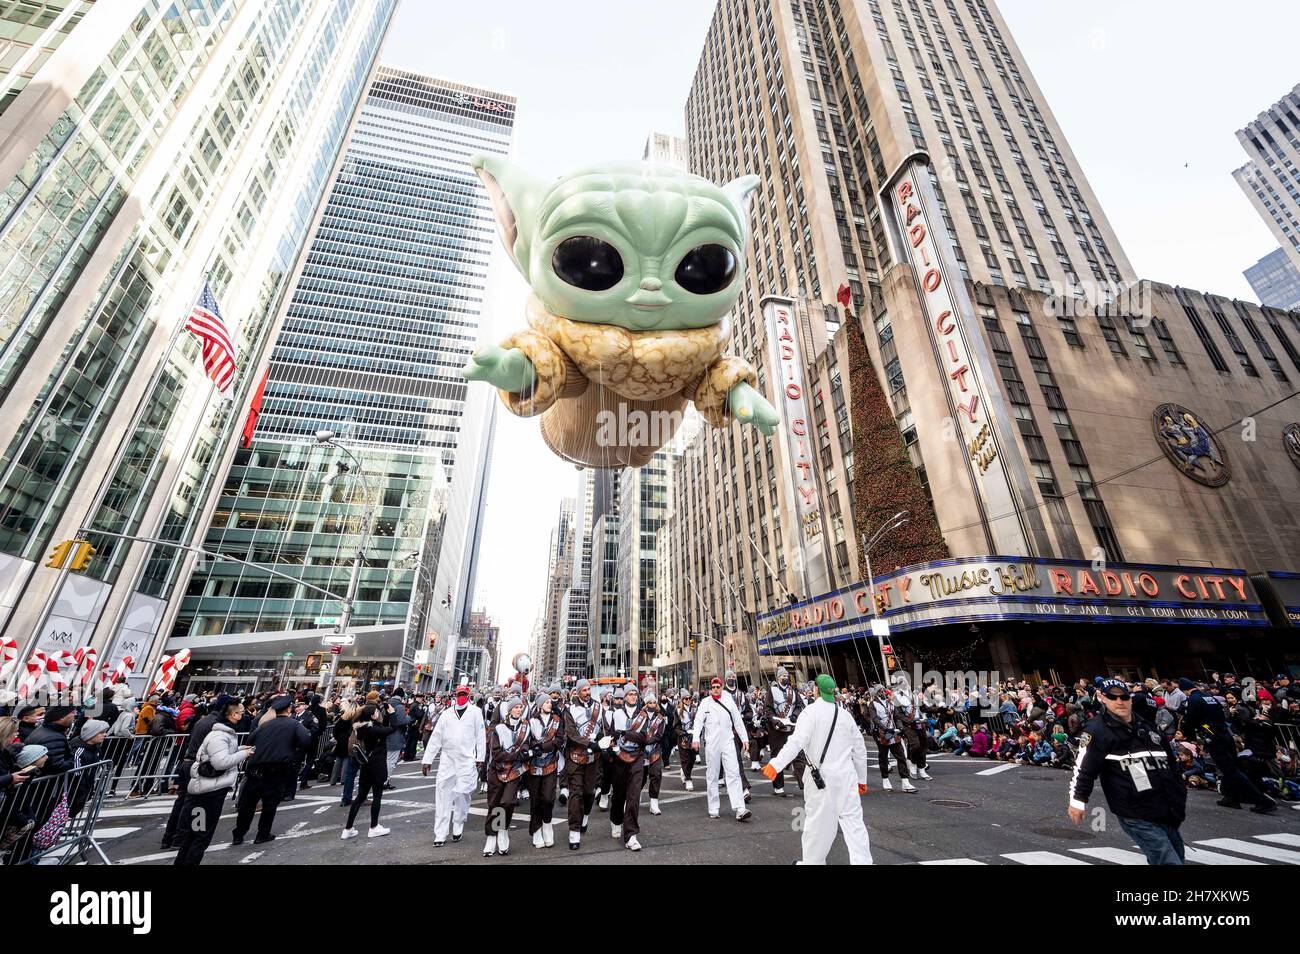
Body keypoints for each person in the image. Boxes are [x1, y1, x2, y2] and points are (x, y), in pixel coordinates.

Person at [1068, 678, 1187, 865]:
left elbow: (1172, 763)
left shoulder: (1147, 726)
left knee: (1176, 857)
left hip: (1167, 806)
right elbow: (1084, 768)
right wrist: (1078, 800)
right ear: (1103, 699)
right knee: (1169, 861)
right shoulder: (1096, 730)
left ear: (1131, 699)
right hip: (1135, 810)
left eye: (1124, 696)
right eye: (1112, 697)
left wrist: (1180, 791)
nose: (1119, 701)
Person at [762, 675, 871, 864]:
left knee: (817, 827)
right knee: (855, 826)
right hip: (847, 777)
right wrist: (862, 779)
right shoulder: (845, 715)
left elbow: (796, 742)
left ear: (816, 690)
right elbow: (859, 749)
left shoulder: (810, 713)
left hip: (821, 777)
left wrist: (776, 764)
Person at [174, 697, 252, 865]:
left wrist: (239, 749)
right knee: (200, 836)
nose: (243, 715)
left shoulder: (223, 734)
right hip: (208, 793)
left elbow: (219, 754)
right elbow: (220, 762)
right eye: (241, 712)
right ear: (233, 715)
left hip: (206, 791)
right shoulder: (220, 736)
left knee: (195, 833)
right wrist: (243, 754)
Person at [1183, 677, 1276, 814]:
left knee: (1231, 770)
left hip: (1214, 737)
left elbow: (1190, 720)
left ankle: (1263, 801)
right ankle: (1231, 796)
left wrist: (1195, 735)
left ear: (1185, 690)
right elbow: (1221, 716)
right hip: (1225, 734)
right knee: (1230, 769)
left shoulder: (1193, 700)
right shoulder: (1209, 697)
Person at [232, 694, 310, 846]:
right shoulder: (294, 724)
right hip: (276, 770)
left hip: (255, 768)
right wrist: (293, 751)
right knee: (270, 804)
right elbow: (306, 739)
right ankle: (262, 833)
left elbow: (250, 740)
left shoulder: (265, 725)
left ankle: (238, 834)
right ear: (289, 709)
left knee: (248, 804)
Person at [422, 682, 485, 847]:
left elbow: (480, 735)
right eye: (459, 695)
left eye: (465, 695)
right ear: (455, 696)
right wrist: (427, 759)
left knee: (462, 794)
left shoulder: (476, 713)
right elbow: (436, 736)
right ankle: (440, 833)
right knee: (443, 796)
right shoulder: (446, 714)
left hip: (466, 760)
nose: (462, 698)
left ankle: (458, 822)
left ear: (468, 695)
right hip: (447, 760)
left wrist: (480, 757)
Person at [693, 677, 752, 822]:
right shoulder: (705, 703)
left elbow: (737, 720)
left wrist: (745, 739)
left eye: (718, 686)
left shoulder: (728, 701)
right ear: (710, 689)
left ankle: (740, 808)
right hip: (712, 743)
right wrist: (695, 738)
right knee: (712, 776)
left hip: (728, 741)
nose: (715, 689)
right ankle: (713, 808)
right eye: (713, 687)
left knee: (733, 773)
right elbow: (698, 721)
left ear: (721, 687)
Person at [342, 703, 398, 840]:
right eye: (377, 712)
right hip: (377, 764)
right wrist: (392, 714)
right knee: (377, 796)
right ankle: (374, 826)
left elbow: (383, 728)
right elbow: (392, 728)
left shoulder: (363, 728)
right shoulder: (373, 729)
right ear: (373, 715)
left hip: (366, 764)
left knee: (360, 796)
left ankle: (348, 828)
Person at [484, 695, 529, 857]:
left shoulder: (526, 727)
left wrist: (526, 752)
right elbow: (496, 753)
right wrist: (516, 756)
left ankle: (503, 830)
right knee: (494, 803)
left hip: (514, 771)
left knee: (508, 801)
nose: (518, 710)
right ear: (509, 711)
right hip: (497, 770)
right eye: (515, 707)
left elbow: (527, 746)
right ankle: (491, 836)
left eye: (520, 707)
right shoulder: (499, 729)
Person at [562, 678, 605, 850]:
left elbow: (602, 728)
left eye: (589, 689)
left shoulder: (598, 707)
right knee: (576, 794)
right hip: (575, 757)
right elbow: (571, 734)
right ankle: (574, 831)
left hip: (593, 758)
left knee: (589, 792)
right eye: (584, 690)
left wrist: (603, 740)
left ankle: (585, 815)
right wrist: (589, 743)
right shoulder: (570, 710)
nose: (587, 693)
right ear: (578, 692)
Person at [607, 682, 647, 851]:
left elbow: (643, 738)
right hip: (620, 758)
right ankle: (616, 820)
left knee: (633, 796)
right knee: (619, 794)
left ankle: (631, 834)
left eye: (635, 694)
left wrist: (625, 733)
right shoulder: (616, 714)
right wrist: (613, 743)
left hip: (637, 758)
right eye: (630, 694)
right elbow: (611, 735)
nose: (632, 697)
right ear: (624, 697)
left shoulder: (643, 715)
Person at [525, 691, 564, 849]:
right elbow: (527, 741)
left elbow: (559, 739)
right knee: (536, 800)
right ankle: (536, 830)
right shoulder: (531, 721)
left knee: (548, 798)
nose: (550, 704)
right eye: (546, 702)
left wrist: (542, 746)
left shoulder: (557, 720)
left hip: (550, 764)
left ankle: (547, 824)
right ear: (540, 705)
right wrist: (534, 749)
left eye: (550, 702)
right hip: (534, 765)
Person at [763, 665, 806, 795]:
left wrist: (795, 715)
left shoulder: (793, 691)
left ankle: (804, 783)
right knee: (777, 755)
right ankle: (778, 787)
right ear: (778, 677)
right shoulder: (772, 690)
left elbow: (799, 705)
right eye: (782, 676)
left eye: (786, 676)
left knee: (798, 755)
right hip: (777, 729)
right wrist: (774, 720)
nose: (785, 678)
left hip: (791, 727)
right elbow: (768, 709)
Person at [868, 687, 916, 792]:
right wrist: (884, 729)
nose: (883, 693)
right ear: (876, 694)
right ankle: (885, 779)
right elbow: (875, 718)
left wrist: (900, 727)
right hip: (881, 733)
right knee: (883, 756)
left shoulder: (891, 703)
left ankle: (905, 782)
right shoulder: (872, 704)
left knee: (901, 756)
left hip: (893, 732)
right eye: (880, 691)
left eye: (884, 691)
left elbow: (896, 717)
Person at [640, 688, 668, 816]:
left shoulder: (660, 718)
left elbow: (660, 734)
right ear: (645, 704)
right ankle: (636, 795)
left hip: (655, 751)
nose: (652, 705)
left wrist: (648, 741)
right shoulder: (640, 716)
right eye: (649, 703)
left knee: (656, 775)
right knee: (640, 777)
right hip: (641, 752)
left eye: (653, 702)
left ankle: (654, 802)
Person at [27, 705, 76, 776]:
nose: (75, 715)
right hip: (46, 783)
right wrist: (71, 763)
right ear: (61, 717)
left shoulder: (46, 729)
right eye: (73, 712)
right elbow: (57, 766)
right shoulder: (54, 738)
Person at [676, 692, 697, 791]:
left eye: (690, 698)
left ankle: (684, 771)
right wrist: (684, 732)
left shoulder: (695, 709)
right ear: (682, 700)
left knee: (692, 759)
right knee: (685, 759)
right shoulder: (678, 711)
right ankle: (688, 779)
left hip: (694, 737)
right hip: (683, 738)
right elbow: (676, 727)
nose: (688, 700)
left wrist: (696, 731)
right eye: (686, 699)